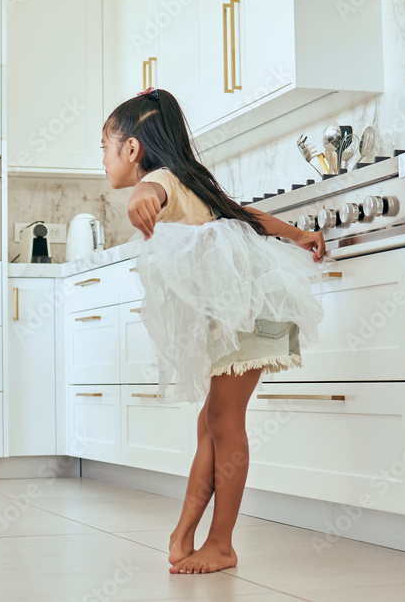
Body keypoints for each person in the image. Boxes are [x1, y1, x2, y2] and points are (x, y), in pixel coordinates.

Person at [101, 88, 326, 574]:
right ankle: (184, 532)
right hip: (252, 311)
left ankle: (221, 543)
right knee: (212, 421)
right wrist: (298, 234)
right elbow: (247, 217)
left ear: (132, 149)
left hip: (251, 315)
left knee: (224, 421)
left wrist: (140, 200)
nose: (103, 159)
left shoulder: (162, 180)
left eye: (105, 147)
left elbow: (149, 191)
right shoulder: (190, 181)